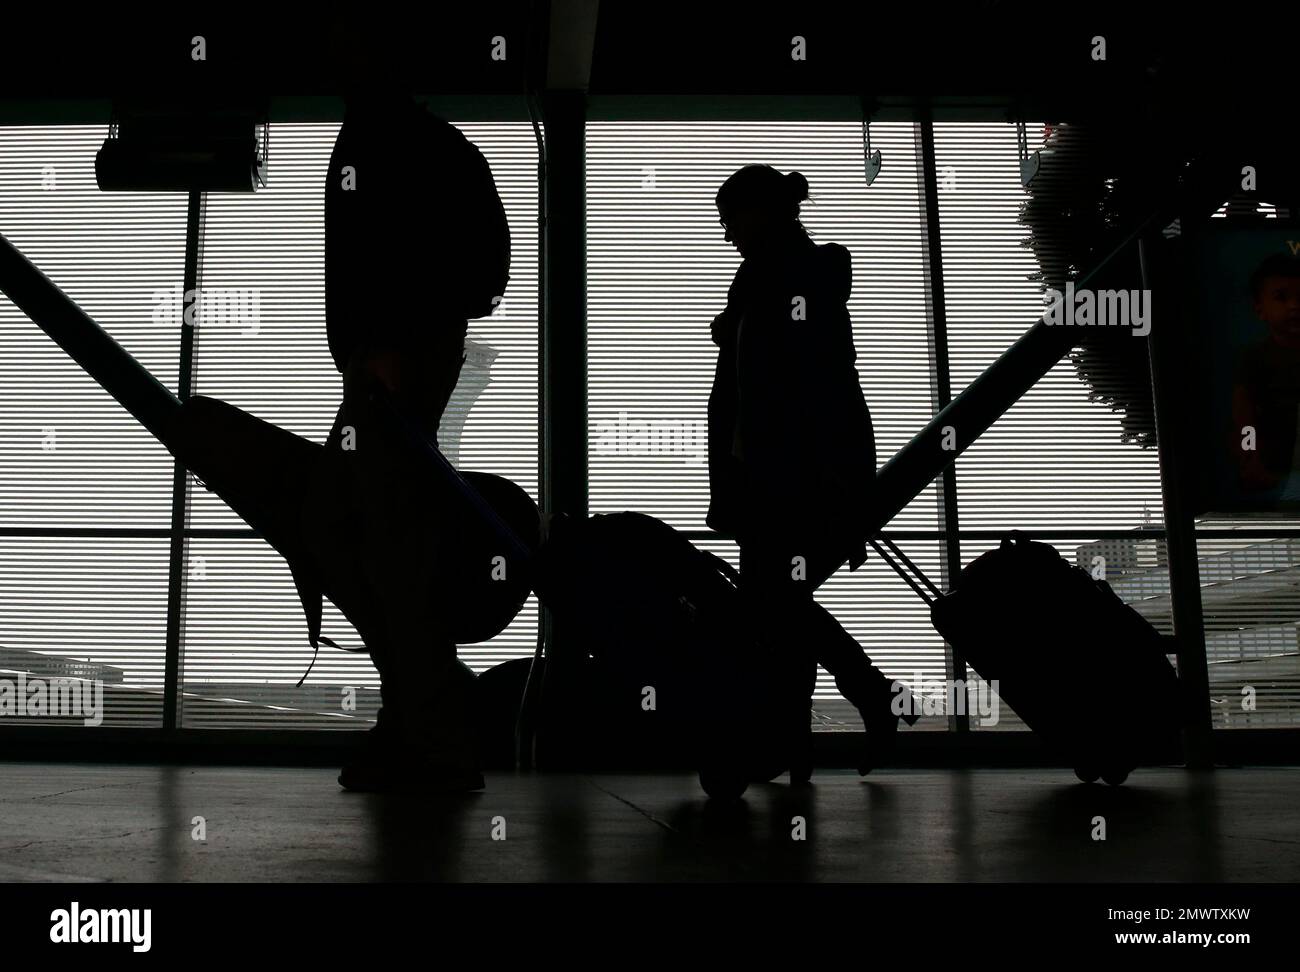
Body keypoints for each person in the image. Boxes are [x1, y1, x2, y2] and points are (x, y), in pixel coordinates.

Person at [300, 89, 511, 794]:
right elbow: (491, 259)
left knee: (376, 535)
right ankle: (419, 717)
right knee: (393, 534)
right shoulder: (437, 145)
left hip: (388, 351)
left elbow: (367, 253)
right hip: (400, 346)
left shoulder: (382, 139)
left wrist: (385, 344)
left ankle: (428, 724)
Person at [707, 164, 917, 778]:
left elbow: (816, 384)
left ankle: (860, 698)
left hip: (790, 474)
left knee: (773, 602)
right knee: (778, 609)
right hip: (771, 473)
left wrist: (835, 476)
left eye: (732, 219)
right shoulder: (770, 282)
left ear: (763, 212)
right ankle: (796, 744)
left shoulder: (797, 278)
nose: (728, 235)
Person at [1232, 253, 1300, 500]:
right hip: (1276, 468)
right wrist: (1250, 458)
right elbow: (1244, 416)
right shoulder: (1256, 358)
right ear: (1260, 309)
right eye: (1282, 297)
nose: (1295, 306)